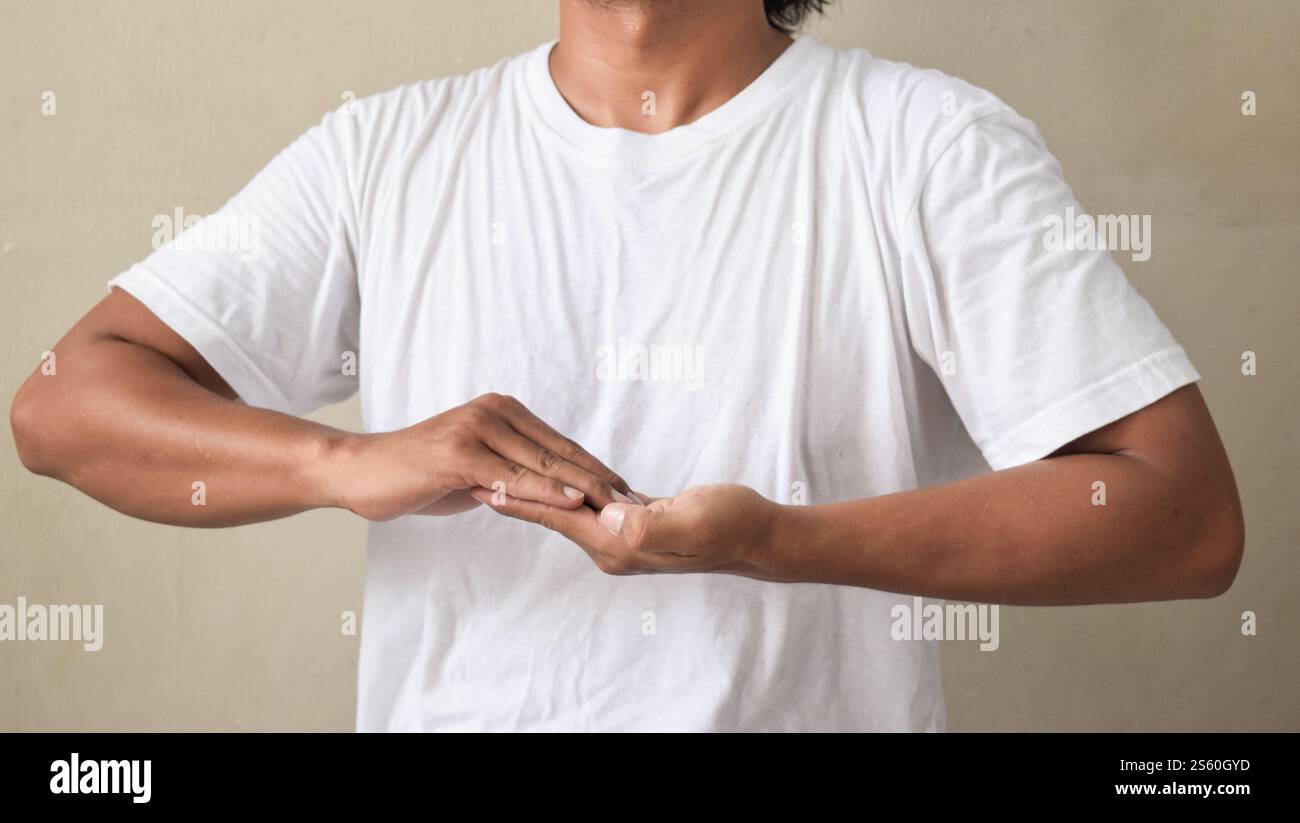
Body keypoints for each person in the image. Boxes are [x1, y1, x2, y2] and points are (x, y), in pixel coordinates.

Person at [10, 0, 1243, 731]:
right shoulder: (382, 152)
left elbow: (1182, 520)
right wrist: (344, 459)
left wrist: (773, 541)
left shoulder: (925, 144)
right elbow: (66, 406)